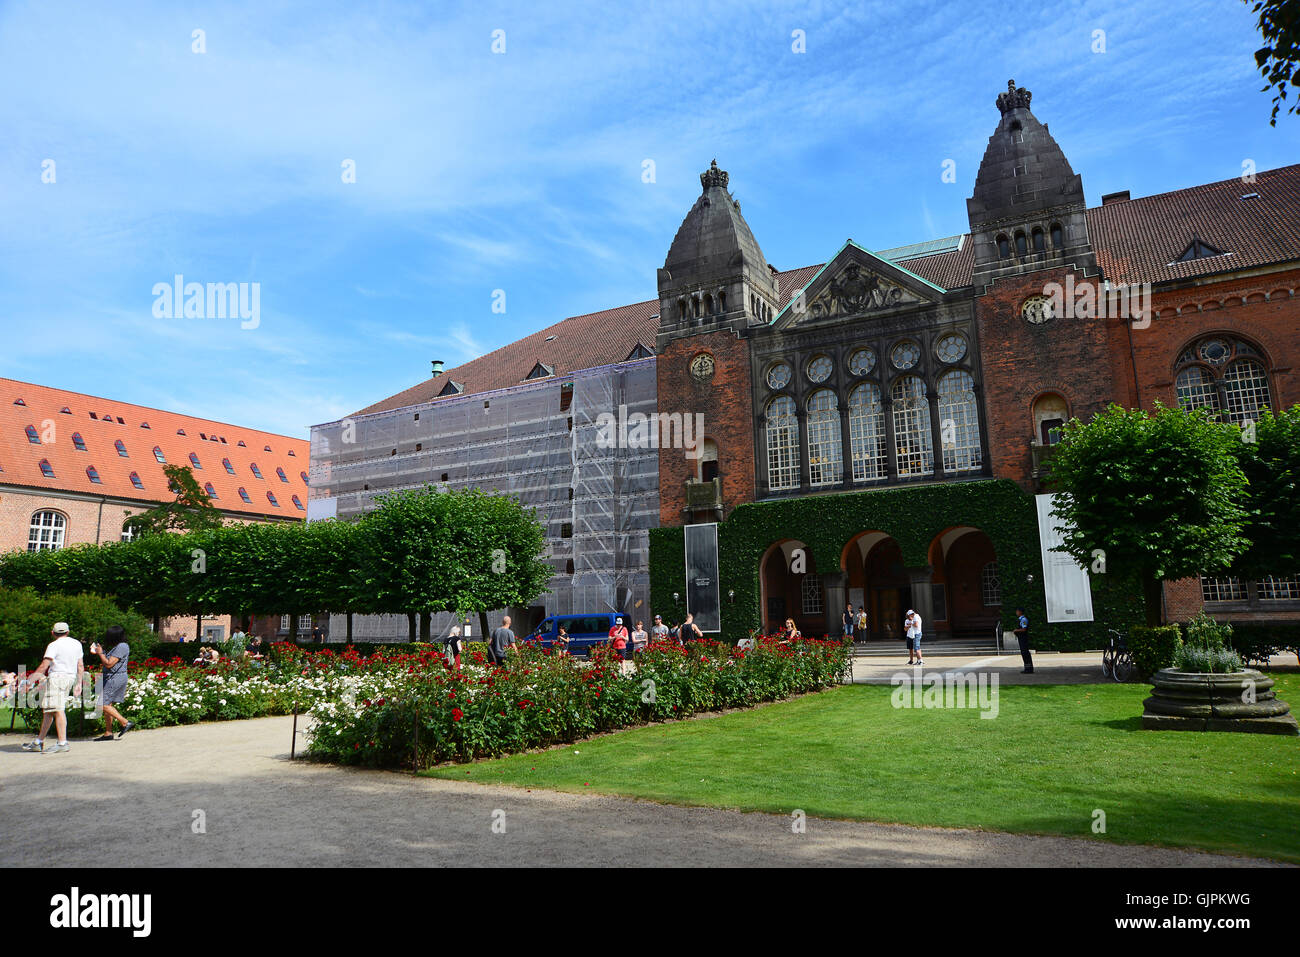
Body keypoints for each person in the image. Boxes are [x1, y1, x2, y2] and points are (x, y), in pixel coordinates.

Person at [21, 622, 85, 754]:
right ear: (67, 632)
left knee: (57, 709)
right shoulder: (76, 644)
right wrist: (79, 683)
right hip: (69, 678)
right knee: (49, 710)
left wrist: (29, 682)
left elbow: (44, 665)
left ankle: (62, 743)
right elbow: (80, 665)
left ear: (53, 633)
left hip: (57, 678)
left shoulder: (53, 645)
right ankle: (39, 741)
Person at [90, 625, 134, 740]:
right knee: (108, 704)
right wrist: (98, 652)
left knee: (102, 704)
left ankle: (125, 722)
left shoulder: (122, 646)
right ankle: (108, 733)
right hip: (110, 677)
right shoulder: (116, 647)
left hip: (115, 678)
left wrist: (100, 653)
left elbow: (109, 663)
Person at [1014, 607, 1034, 674]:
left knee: (1025, 653)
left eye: (1017, 611)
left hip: (1023, 638)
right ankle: (1027, 668)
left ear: (1020, 612)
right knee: (1024, 653)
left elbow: (1024, 629)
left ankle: (1029, 669)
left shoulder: (1024, 619)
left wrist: (1016, 630)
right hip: (1021, 638)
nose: (1016, 613)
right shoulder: (1020, 619)